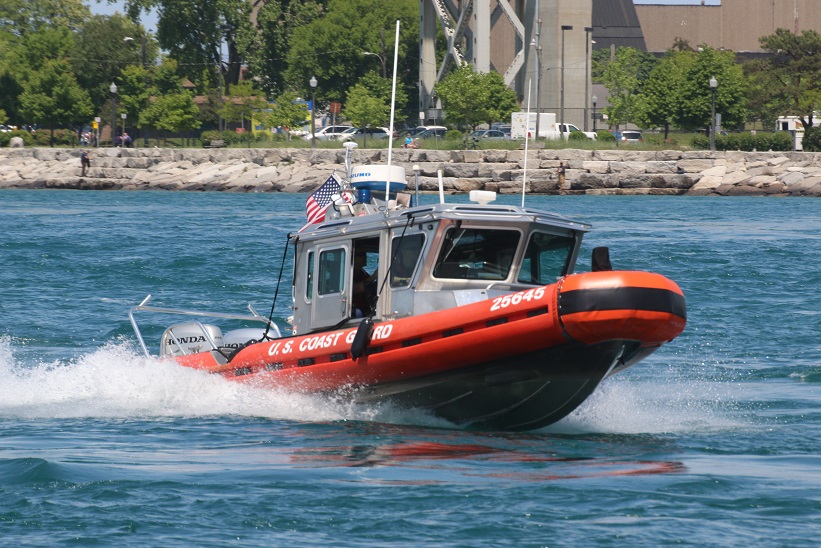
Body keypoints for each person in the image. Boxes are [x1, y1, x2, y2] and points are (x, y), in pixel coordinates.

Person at [352, 249, 377, 317]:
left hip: (365, 305)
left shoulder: (362, 273)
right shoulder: (350, 273)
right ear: (353, 258)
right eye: (361, 255)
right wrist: (374, 276)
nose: (365, 257)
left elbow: (369, 283)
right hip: (355, 308)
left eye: (364, 255)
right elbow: (355, 289)